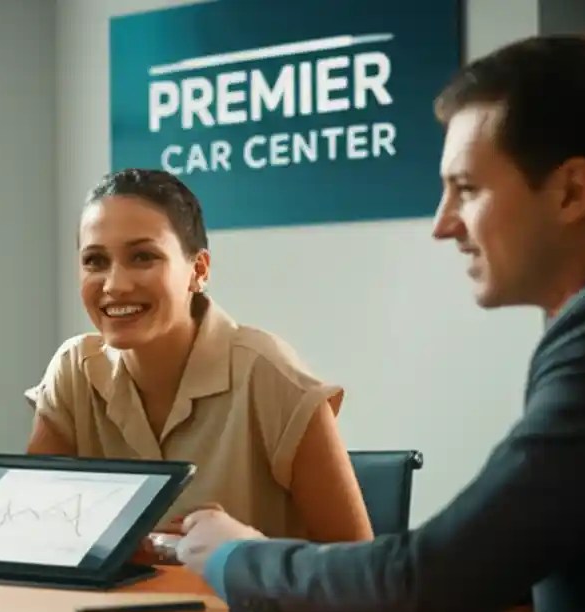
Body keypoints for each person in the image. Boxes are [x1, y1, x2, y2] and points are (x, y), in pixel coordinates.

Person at [176, 33, 585, 612]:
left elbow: (429, 584)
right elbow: (497, 558)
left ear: (572, 190)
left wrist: (234, 556)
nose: (442, 224)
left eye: (467, 189)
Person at [26, 169, 373, 547]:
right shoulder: (73, 370)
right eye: (95, 261)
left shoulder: (269, 375)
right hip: (104, 607)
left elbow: (356, 566)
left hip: (245, 606)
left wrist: (251, 551)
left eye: (143, 257)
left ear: (199, 270)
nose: (115, 285)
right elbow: (35, 535)